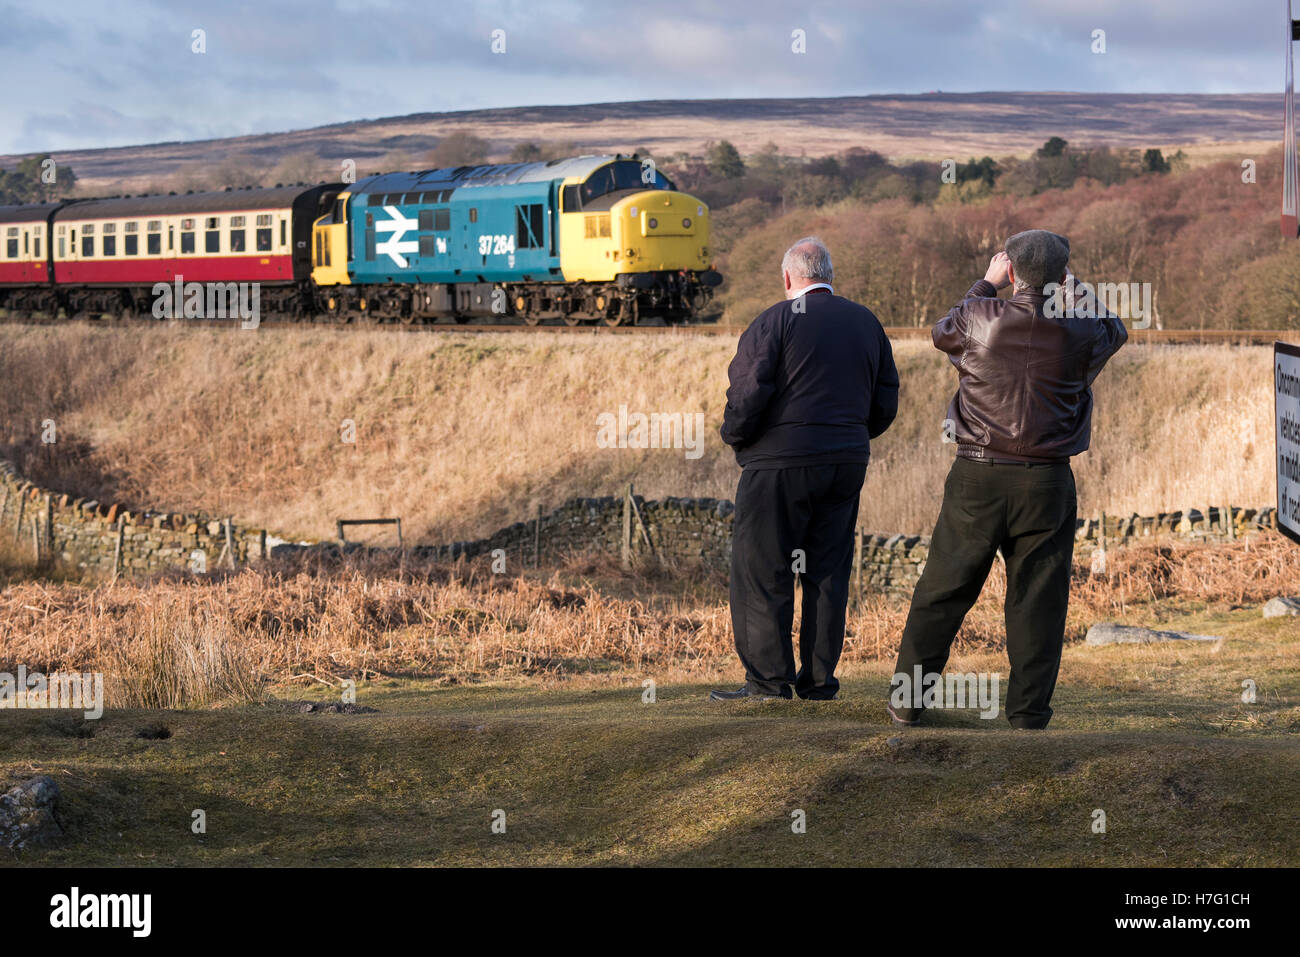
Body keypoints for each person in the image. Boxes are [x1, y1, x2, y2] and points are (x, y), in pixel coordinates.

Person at [889, 229, 1127, 729]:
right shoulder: (1080, 330)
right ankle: (1027, 715)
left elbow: (941, 330)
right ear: (1061, 277)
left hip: (977, 473)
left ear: (1011, 271)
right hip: (1046, 480)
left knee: (943, 590)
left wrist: (986, 283)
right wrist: (1075, 288)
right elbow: (1116, 331)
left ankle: (908, 703)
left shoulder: (979, 317)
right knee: (1038, 599)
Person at [714, 237, 899, 701]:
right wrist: (851, 437)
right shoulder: (866, 322)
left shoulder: (773, 321)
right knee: (828, 572)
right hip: (845, 462)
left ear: (787, 278)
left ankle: (769, 682)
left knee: (763, 571)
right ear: (830, 276)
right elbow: (885, 399)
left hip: (779, 464)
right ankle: (818, 683)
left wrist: (736, 435)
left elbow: (748, 392)